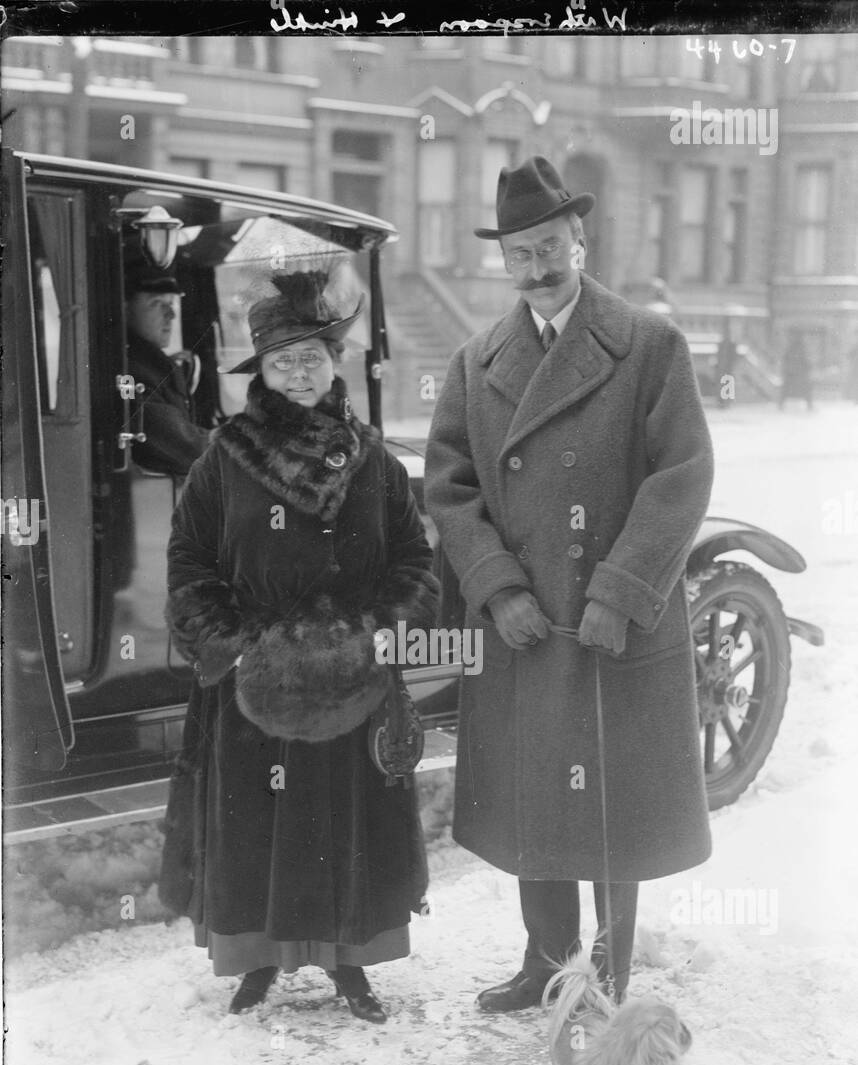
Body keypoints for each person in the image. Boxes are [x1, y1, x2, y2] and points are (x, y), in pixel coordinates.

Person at [425, 155, 714, 1011]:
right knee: (532, 802)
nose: (538, 268)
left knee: (613, 807)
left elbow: (682, 477)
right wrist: (498, 588)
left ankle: (611, 970)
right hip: (526, 626)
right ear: (504, 262)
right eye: (520, 254)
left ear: (580, 242)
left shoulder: (648, 344)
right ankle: (546, 966)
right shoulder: (476, 364)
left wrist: (619, 593)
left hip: (611, 622)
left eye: (551, 247)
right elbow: (450, 487)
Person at [158, 270, 439, 1019]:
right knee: (258, 827)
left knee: (342, 825)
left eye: (311, 357)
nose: (299, 373)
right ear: (263, 373)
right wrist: (239, 649)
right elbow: (187, 565)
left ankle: (350, 966)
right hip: (255, 687)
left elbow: (416, 563)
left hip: (353, 682)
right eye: (283, 362)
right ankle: (259, 962)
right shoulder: (221, 462)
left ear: (334, 361)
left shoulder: (374, 462)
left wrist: (377, 637)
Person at [124, 253, 211, 475]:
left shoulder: (155, 365)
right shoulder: (131, 372)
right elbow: (188, 449)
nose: (171, 315)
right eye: (157, 304)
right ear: (124, 309)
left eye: (171, 303)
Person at [778, 332, 814, 411]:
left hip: (793, 374)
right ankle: (809, 405)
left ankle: (781, 405)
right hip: (797, 375)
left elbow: (785, 359)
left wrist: (787, 369)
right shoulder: (800, 349)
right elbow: (806, 361)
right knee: (805, 389)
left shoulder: (791, 349)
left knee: (786, 390)